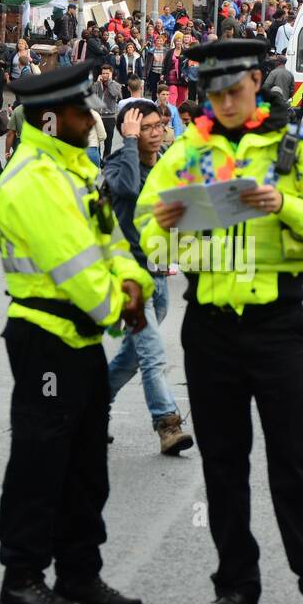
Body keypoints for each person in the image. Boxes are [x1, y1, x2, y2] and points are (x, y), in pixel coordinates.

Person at [137, 38, 303, 604]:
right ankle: (236, 585)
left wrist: (282, 202)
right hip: (208, 322)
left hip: (277, 324)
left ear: (256, 83)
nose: (226, 103)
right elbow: (146, 222)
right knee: (223, 464)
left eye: (235, 91)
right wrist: (167, 232)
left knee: (296, 460)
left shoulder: (296, 148)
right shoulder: (188, 149)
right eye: (214, 94)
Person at [0, 62, 152, 604]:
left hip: (79, 338)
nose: (93, 119)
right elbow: (76, 267)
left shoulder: (77, 170)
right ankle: (22, 579)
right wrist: (121, 308)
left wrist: (136, 285)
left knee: (86, 463)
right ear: (52, 120)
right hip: (45, 337)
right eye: (83, 111)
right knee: (41, 460)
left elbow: (114, 241)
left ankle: (80, 574)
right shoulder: (33, 177)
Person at [103, 103, 195, 455]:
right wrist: (127, 142)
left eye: (159, 125)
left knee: (131, 357)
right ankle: (167, 424)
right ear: (132, 131)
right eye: (146, 128)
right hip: (130, 277)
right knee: (153, 354)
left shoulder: (167, 163)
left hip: (158, 274)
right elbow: (126, 189)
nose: (156, 133)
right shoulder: (118, 164)